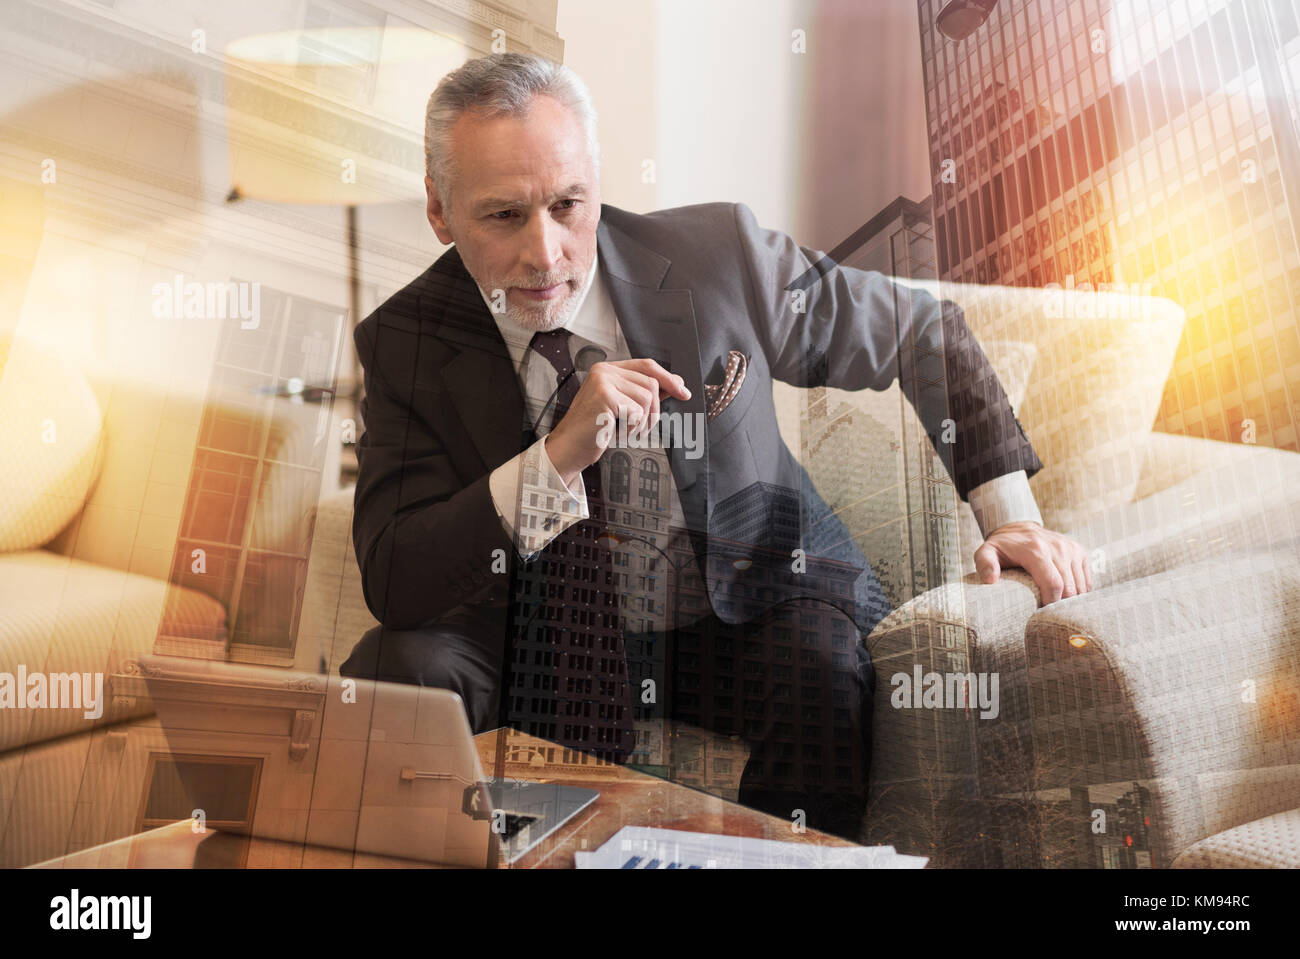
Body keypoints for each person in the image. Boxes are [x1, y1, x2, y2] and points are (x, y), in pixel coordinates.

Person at [342, 52, 1092, 841]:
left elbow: (922, 332)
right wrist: (555, 457)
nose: (547, 252)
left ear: (596, 179)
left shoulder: (716, 255)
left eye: (569, 204)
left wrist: (1011, 517)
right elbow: (396, 574)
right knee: (398, 669)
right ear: (439, 209)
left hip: (747, 607)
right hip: (543, 640)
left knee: (820, 670)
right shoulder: (405, 342)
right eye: (503, 216)